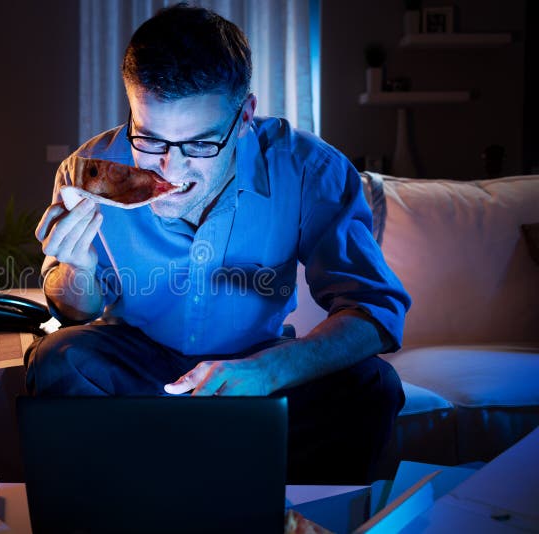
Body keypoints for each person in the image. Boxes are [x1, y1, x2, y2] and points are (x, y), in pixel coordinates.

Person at [28, 3, 410, 484]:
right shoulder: (88, 171)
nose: (168, 167)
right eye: (149, 139)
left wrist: (270, 371)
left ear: (245, 115)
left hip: (256, 367)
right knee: (58, 360)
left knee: (372, 387)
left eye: (199, 145)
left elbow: (376, 312)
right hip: (138, 363)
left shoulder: (310, 170)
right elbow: (75, 311)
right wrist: (77, 268)